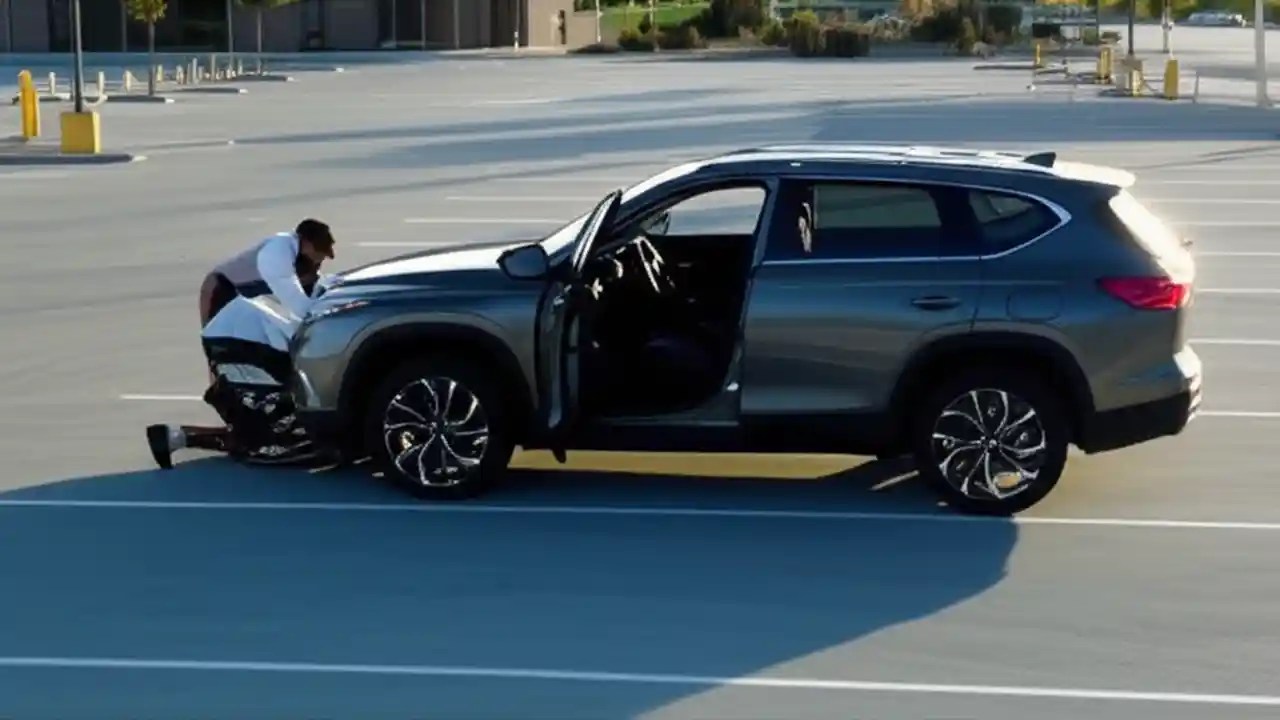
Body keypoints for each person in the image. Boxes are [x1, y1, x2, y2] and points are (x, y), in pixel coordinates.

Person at [146, 262, 334, 470]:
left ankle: (175, 436)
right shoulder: (310, 306)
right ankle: (179, 437)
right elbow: (295, 354)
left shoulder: (297, 295)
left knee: (255, 422)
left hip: (228, 338)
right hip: (241, 344)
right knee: (274, 431)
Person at [199, 218, 336, 327]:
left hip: (248, 294)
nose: (322, 257)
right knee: (220, 342)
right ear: (305, 242)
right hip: (221, 288)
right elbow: (297, 304)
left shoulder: (307, 259)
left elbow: (314, 291)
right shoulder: (276, 252)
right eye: (319, 251)